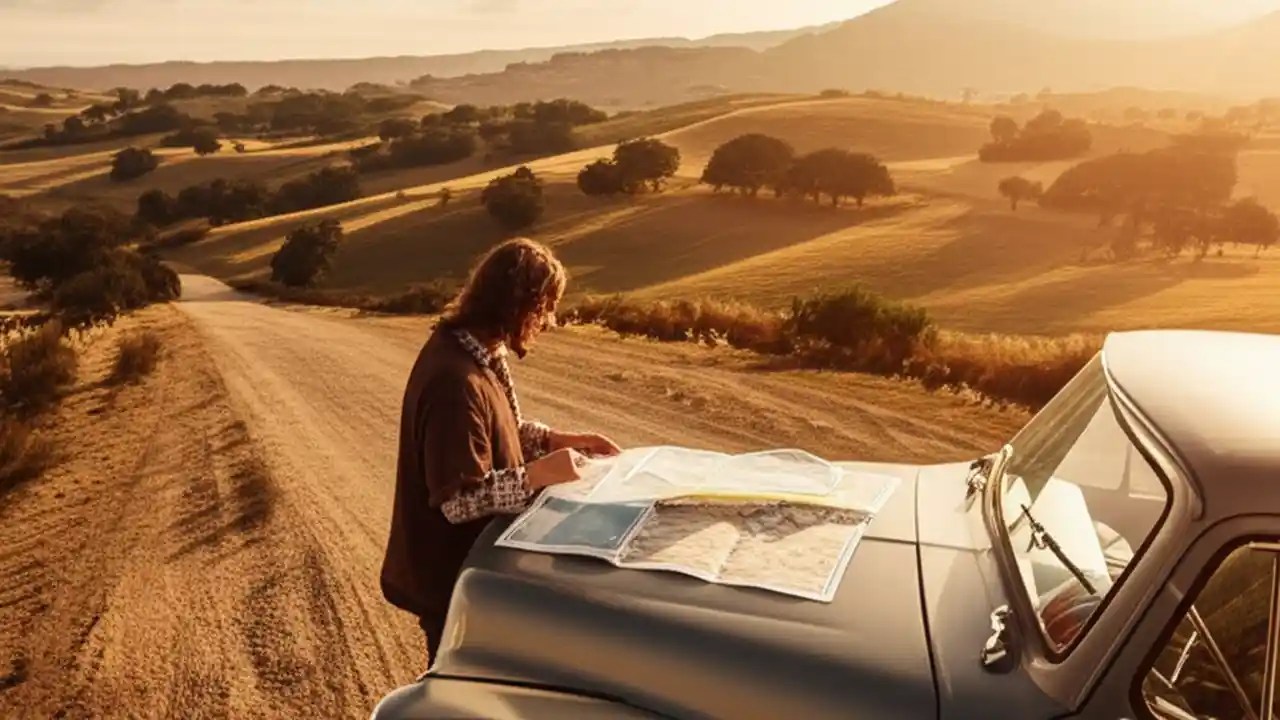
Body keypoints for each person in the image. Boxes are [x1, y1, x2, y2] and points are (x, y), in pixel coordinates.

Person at [380, 237, 621, 669]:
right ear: (518, 305)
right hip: (453, 581)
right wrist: (539, 475)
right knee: (460, 684)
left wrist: (557, 440)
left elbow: (501, 428)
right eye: (545, 308)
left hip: (473, 572)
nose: (549, 321)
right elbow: (459, 501)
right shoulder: (454, 382)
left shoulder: (480, 350)